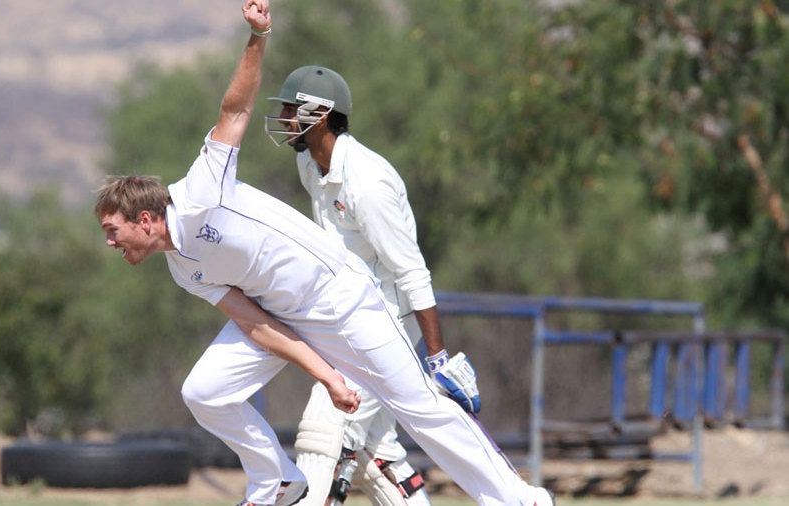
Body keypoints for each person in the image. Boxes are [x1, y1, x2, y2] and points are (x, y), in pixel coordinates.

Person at [95, 2, 555, 505]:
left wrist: (259, 33)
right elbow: (256, 325)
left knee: (421, 408)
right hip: (283, 314)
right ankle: (277, 479)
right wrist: (326, 374)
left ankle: (522, 499)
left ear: (144, 219)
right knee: (204, 392)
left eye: (113, 230)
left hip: (343, 301)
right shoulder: (184, 268)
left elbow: (235, 109)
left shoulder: (202, 190)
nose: (109, 243)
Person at [264, 66, 480, 506]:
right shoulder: (309, 163)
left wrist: (435, 356)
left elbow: (412, 270)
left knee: (325, 429)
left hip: (388, 319)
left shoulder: (368, 183)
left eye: (291, 108)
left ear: (320, 114)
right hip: (346, 313)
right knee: (375, 451)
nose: (285, 116)